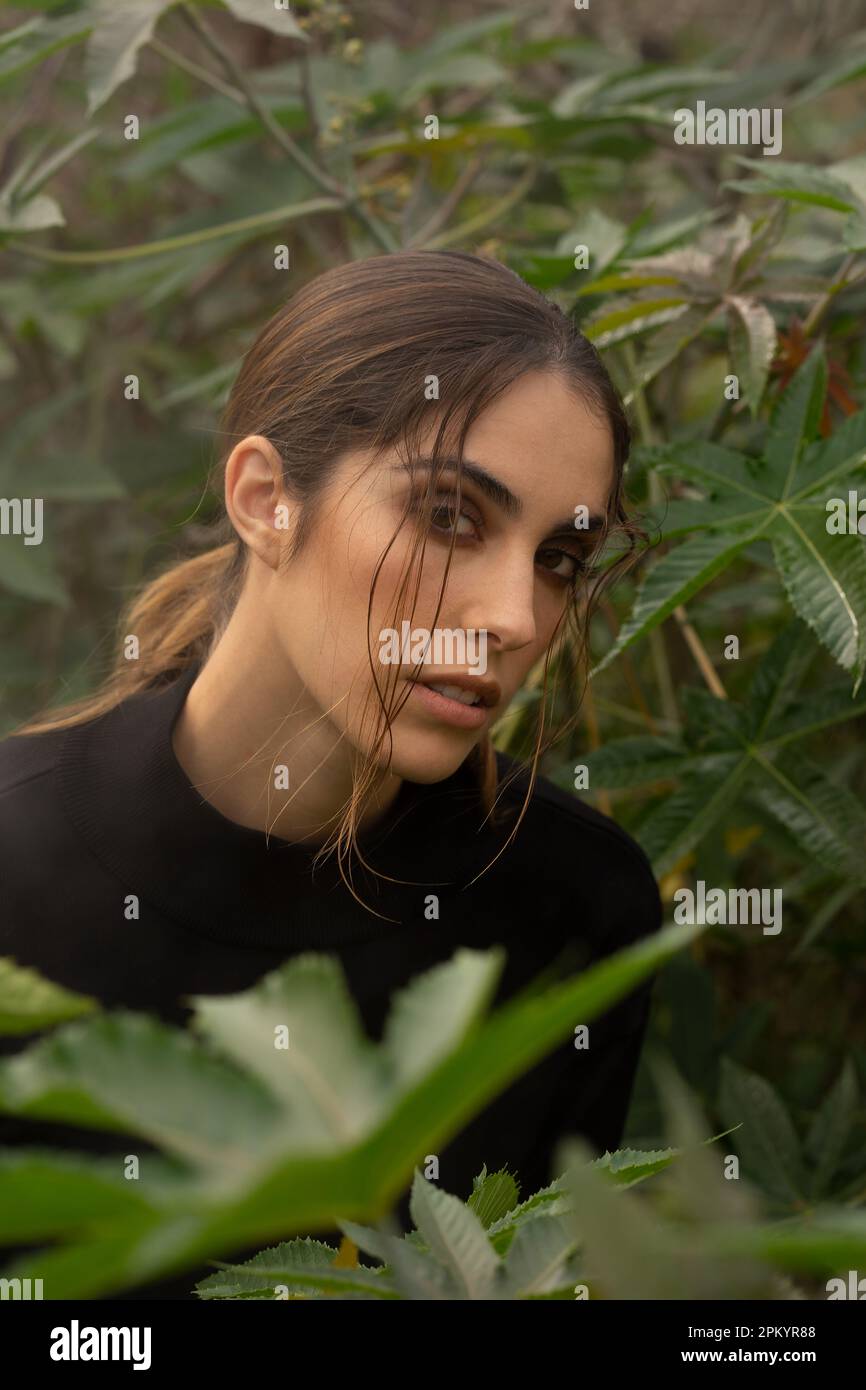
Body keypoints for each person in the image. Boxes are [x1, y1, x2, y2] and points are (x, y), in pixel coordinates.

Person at [0, 249, 662, 1299]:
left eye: (558, 558)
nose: (513, 617)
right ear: (265, 498)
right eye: (449, 516)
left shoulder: (574, 908)